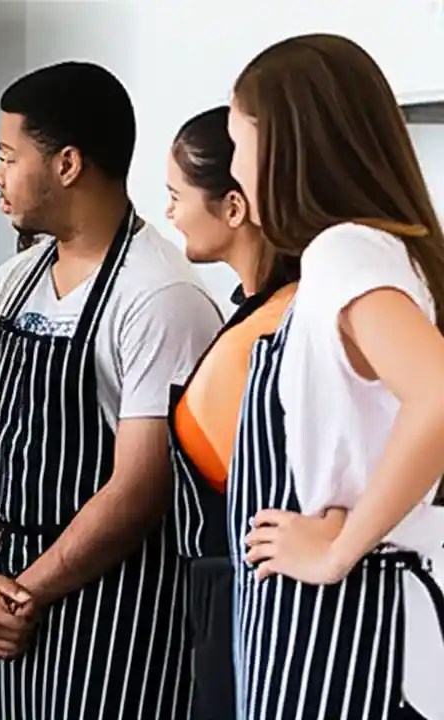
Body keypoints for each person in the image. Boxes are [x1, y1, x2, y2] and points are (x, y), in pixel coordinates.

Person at [0, 61, 222, 720]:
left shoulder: (159, 294)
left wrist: (26, 593)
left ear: (68, 164)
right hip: (10, 601)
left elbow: (141, 486)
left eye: (10, 156)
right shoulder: (11, 285)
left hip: (120, 603)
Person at [226, 34, 444, 718]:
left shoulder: (343, 252)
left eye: (239, 143)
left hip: (345, 620)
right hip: (339, 617)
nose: (234, 168)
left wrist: (336, 553)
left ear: (288, 144)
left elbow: (438, 394)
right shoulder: (382, 251)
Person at [163, 105, 301, 719]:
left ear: (234, 207)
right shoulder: (255, 310)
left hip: (263, 608)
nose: (168, 212)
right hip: (225, 600)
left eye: (175, 195)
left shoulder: (279, 324)